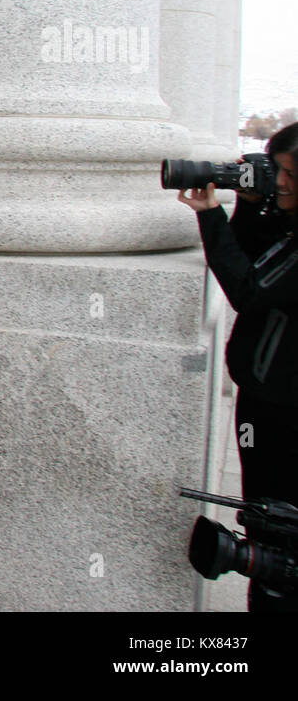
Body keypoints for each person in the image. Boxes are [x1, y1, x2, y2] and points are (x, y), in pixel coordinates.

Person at [177, 122, 298, 612]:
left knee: (277, 528)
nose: (281, 182)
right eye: (277, 171)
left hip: (285, 414)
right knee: (264, 517)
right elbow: (251, 255)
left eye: (290, 174)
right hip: (264, 402)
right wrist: (248, 202)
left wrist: (209, 214)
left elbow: (249, 290)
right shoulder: (287, 225)